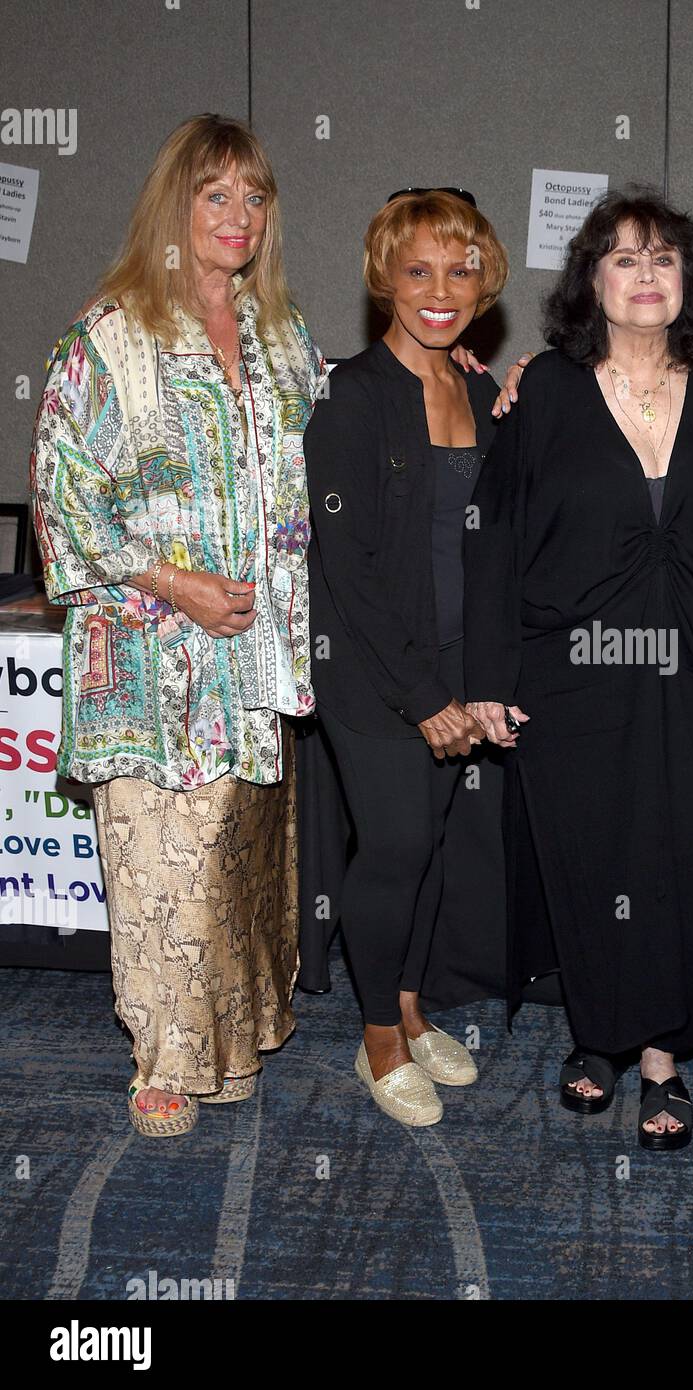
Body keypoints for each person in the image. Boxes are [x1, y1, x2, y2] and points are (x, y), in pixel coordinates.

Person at [28, 114, 324, 1137]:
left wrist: (469, 390)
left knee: (234, 851)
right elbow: (65, 503)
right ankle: (161, 1059)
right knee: (162, 858)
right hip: (151, 654)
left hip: (254, 650)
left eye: (254, 197)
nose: (239, 216)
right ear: (174, 206)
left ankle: (229, 1042)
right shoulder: (111, 336)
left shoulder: (281, 336)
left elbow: (337, 458)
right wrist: (174, 584)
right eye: (216, 195)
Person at [461, 188, 693, 1150]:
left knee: (678, 853)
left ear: (689, 280)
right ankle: (596, 1039)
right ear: (592, 281)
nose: (645, 275)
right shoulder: (543, 390)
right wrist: (489, 676)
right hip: (571, 665)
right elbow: (494, 540)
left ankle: (665, 1057)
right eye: (622, 258)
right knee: (587, 855)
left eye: (664, 258)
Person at [304, 190, 507, 1126]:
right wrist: (425, 693)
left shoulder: (475, 388)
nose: (440, 289)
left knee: (429, 846)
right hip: (371, 670)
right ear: (384, 276)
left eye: (460, 269)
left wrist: (474, 682)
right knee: (390, 845)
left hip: (455, 665)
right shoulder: (350, 395)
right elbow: (346, 569)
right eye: (418, 269)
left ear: (485, 280)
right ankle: (378, 1037)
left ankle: (415, 1007)